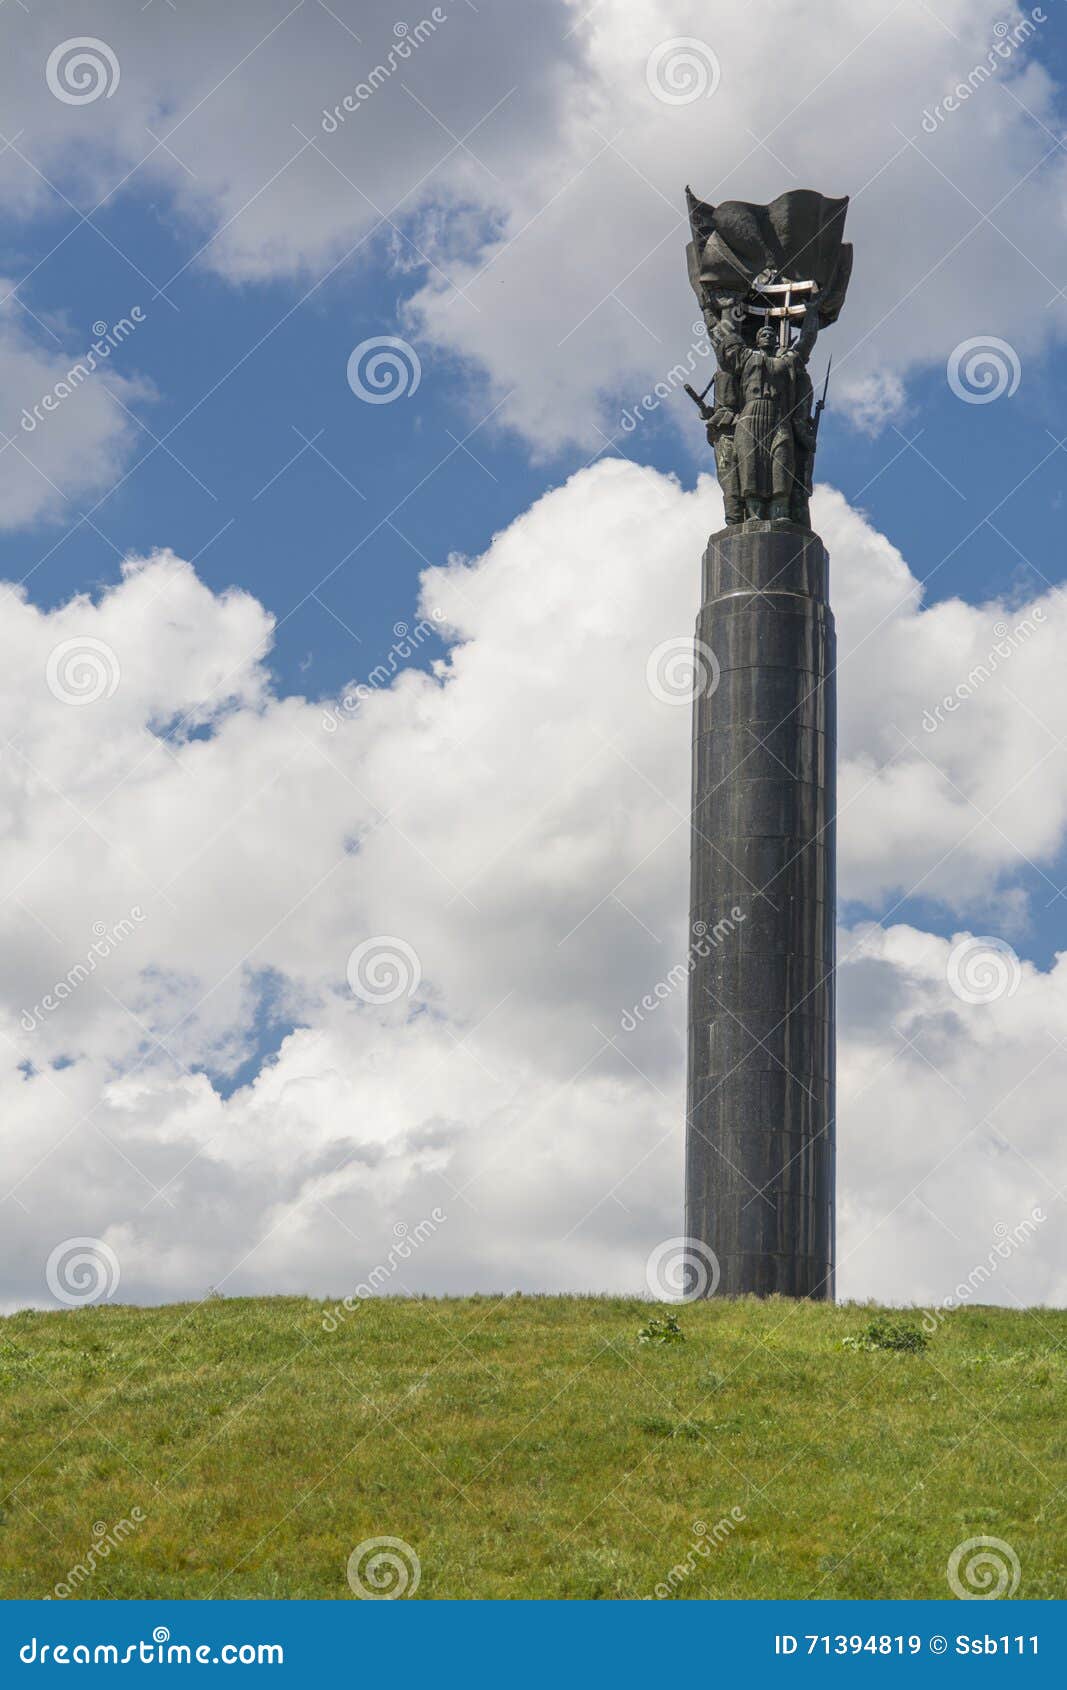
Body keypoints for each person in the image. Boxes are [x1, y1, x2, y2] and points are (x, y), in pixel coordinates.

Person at [707, 289, 820, 522]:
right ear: (757, 340)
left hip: (779, 417)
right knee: (750, 463)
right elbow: (727, 349)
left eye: (771, 332)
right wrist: (729, 310)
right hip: (749, 415)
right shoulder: (747, 358)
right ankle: (754, 513)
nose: (767, 334)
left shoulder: (786, 362)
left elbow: (806, 344)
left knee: (782, 462)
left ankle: (780, 511)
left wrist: (812, 313)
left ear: (776, 339)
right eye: (763, 332)